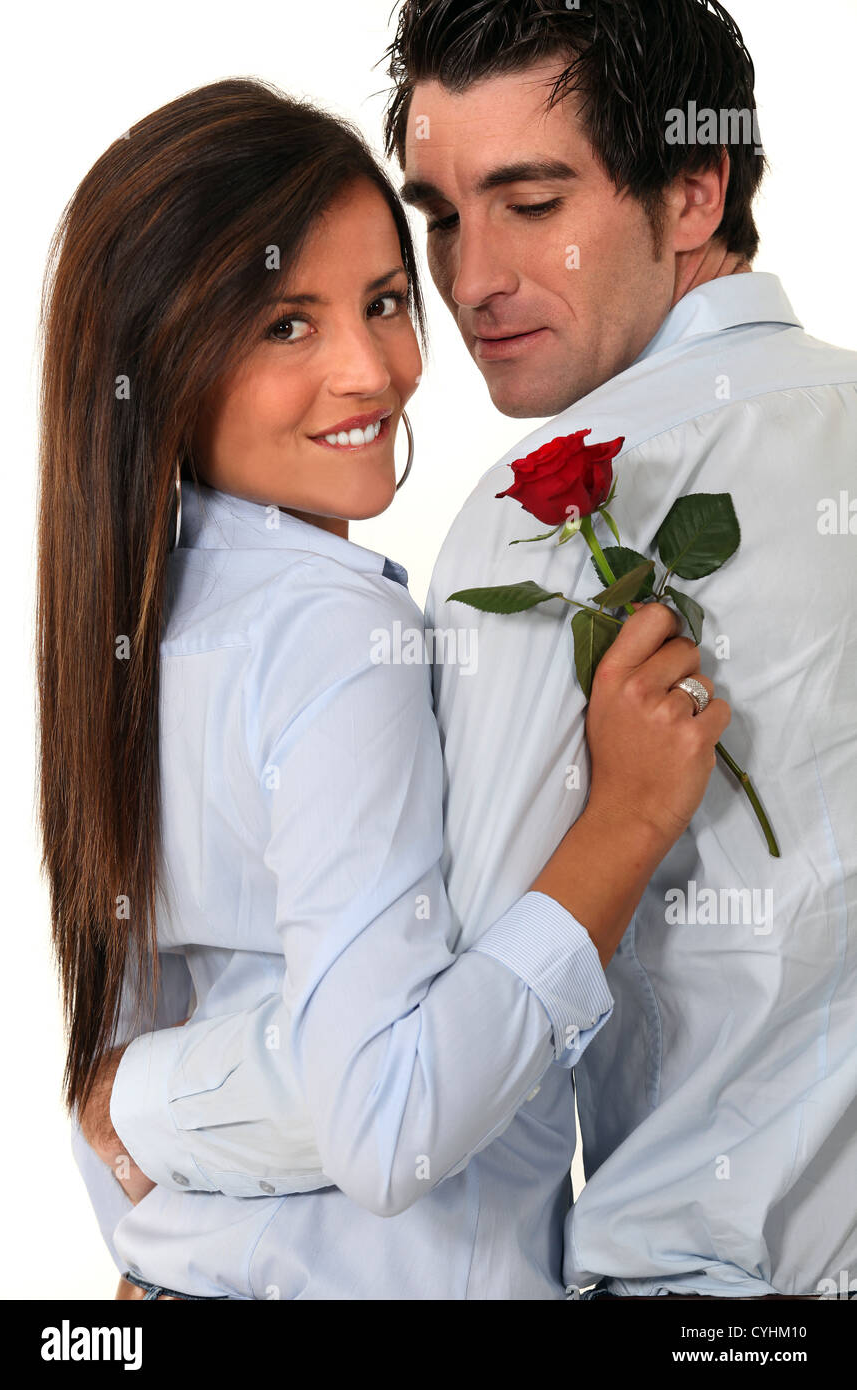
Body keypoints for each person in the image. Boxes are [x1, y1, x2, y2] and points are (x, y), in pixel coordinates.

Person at [113, 0, 857, 1300]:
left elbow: (409, 1071)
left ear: (693, 190)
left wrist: (136, 1094)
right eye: (443, 216)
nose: (466, 283)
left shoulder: (559, 514)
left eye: (528, 203)